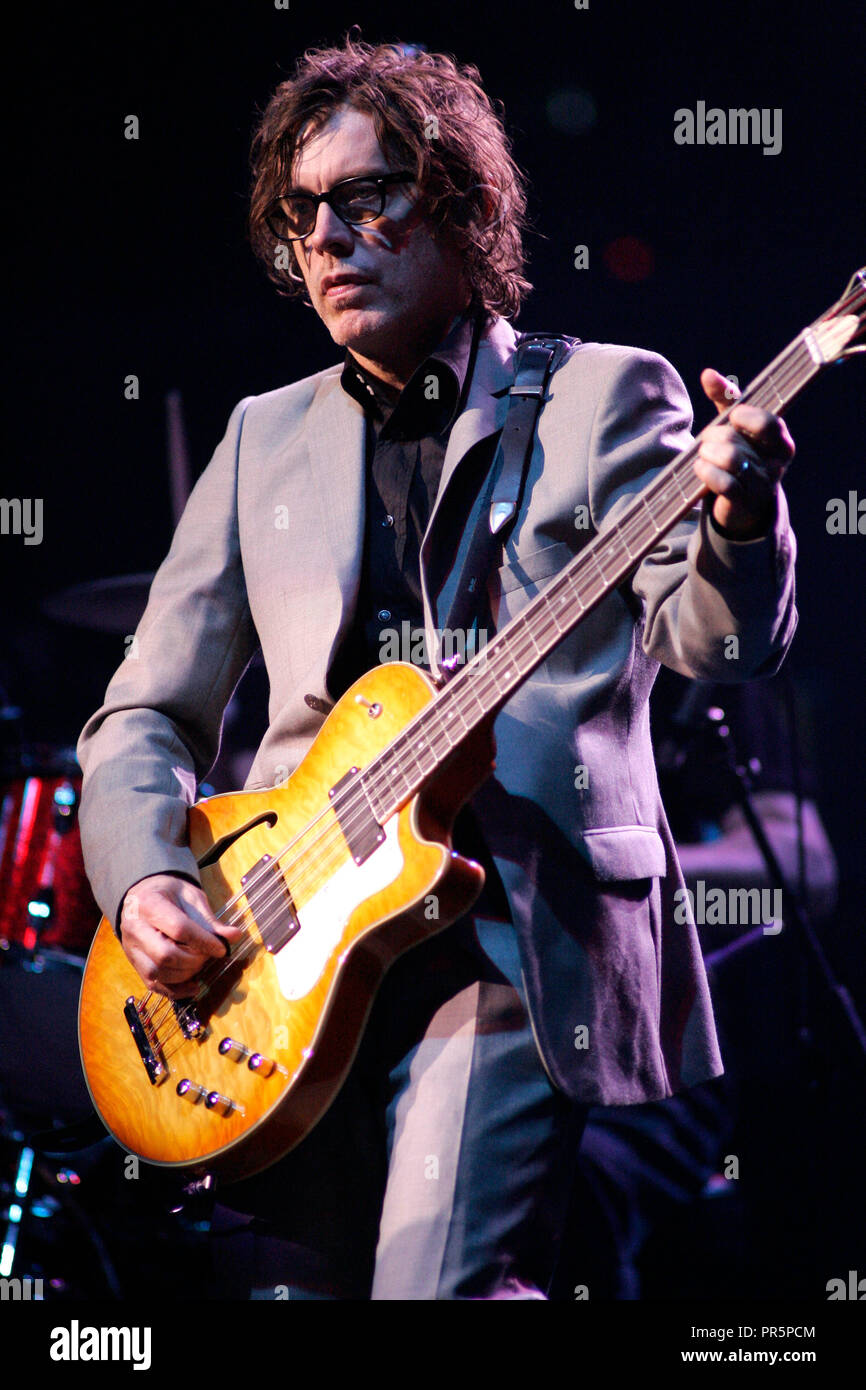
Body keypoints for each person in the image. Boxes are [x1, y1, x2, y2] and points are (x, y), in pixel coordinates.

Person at [77, 37, 797, 1300]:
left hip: (514, 934)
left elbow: (717, 647)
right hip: (283, 953)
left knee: (439, 1283)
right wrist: (139, 875)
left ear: (459, 205)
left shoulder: (603, 398)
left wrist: (739, 522)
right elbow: (142, 710)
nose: (327, 239)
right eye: (301, 214)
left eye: (366, 199)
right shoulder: (262, 439)